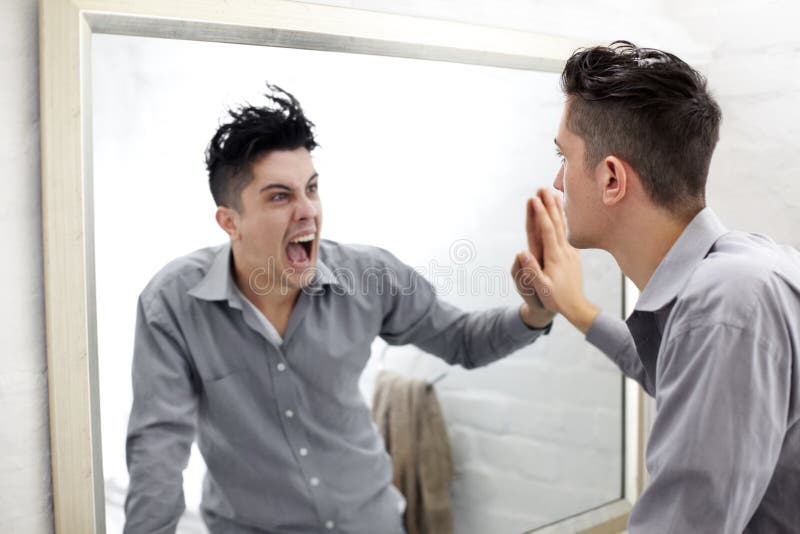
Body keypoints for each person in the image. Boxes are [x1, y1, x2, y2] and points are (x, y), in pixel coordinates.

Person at [123, 83, 554, 534]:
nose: (307, 210)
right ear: (230, 222)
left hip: (371, 522)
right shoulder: (171, 305)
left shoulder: (369, 276)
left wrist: (535, 312)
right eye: (279, 196)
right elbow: (157, 451)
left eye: (311, 188)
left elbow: (463, 339)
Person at [520, 41, 800, 532]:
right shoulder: (743, 268)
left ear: (611, 179)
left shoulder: (725, 308)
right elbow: (680, 373)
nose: (558, 181)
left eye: (563, 156)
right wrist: (575, 307)